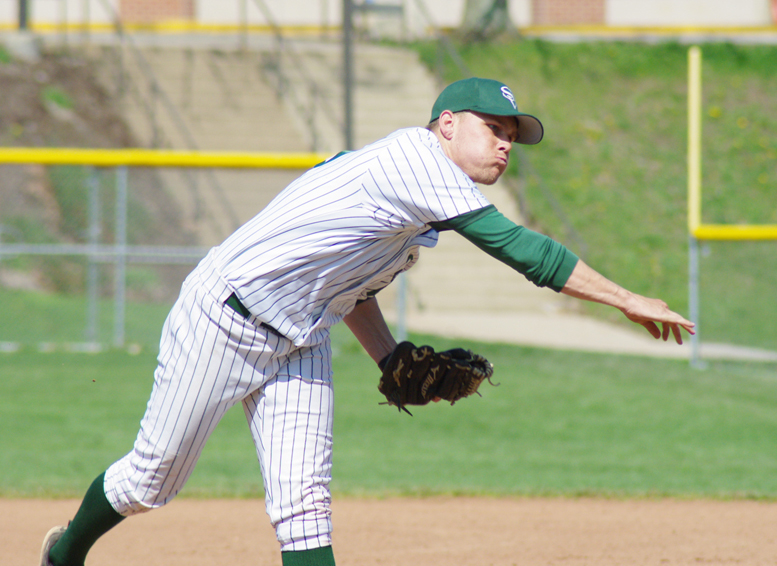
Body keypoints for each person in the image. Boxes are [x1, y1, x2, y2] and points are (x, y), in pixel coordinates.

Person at [40, 77, 694, 566]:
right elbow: (523, 250)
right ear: (444, 125)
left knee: (303, 505)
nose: (504, 142)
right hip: (224, 317)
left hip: (300, 338)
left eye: (511, 135)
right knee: (150, 481)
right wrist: (625, 298)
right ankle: (65, 553)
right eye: (492, 126)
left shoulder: (418, 214)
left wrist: (389, 358)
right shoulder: (415, 163)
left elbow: (349, 291)